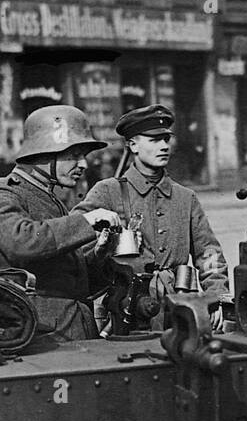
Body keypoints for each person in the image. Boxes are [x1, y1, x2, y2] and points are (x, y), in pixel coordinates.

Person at [76, 104, 227, 331]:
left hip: (178, 308)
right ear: (133, 145)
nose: (164, 146)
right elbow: (75, 240)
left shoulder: (185, 198)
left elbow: (209, 253)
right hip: (124, 310)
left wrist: (216, 297)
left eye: (166, 139)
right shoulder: (107, 191)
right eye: (154, 140)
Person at [0, 104, 122, 342]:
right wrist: (86, 220)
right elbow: (21, 242)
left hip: (71, 326)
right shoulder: (2, 196)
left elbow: (70, 275)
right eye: (74, 155)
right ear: (44, 153)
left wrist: (99, 254)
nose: (84, 164)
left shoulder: (48, 197)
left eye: (83, 156)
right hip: (42, 335)